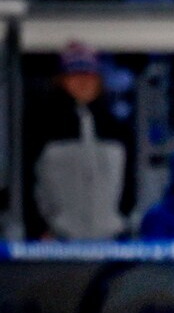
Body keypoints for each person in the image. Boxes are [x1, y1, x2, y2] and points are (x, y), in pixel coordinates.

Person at [23, 41, 136, 240]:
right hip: (56, 241)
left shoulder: (117, 128)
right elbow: (25, 181)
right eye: (75, 74)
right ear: (62, 79)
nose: (83, 81)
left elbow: (130, 183)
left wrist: (122, 221)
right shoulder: (41, 125)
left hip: (109, 239)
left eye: (89, 74)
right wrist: (39, 229)